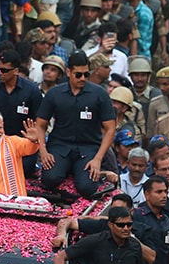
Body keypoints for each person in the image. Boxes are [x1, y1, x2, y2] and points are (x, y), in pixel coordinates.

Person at [36, 51, 116, 197]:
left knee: (86, 187)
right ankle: (67, 168)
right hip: (60, 144)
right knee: (50, 179)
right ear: (68, 72)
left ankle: (85, 171)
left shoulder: (99, 94)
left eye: (86, 74)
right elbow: (40, 124)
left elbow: (110, 128)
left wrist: (98, 159)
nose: (83, 78)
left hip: (89, 147)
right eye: (78, 74)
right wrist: (43, 151)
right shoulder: (54, 93)